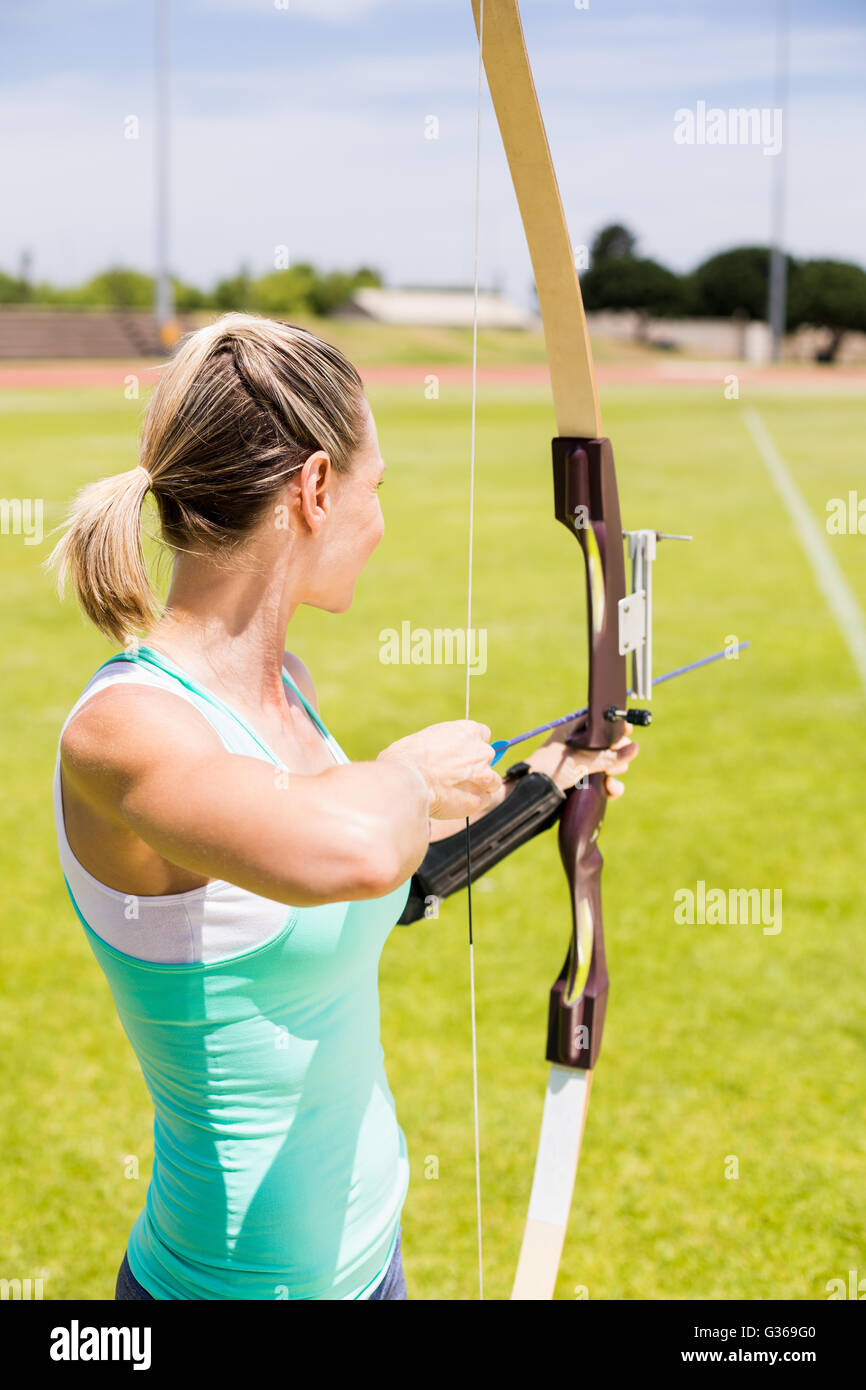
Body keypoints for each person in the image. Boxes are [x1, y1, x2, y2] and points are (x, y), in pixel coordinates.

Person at [48, 313, 636, 1300]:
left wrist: (546, 785)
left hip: (373, 1267)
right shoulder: (124, 731)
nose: (379, 518)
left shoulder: (290, 691)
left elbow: (382, 877)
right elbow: (358, 847)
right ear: (315, 490)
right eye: (376, 488)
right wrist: (410, 773)